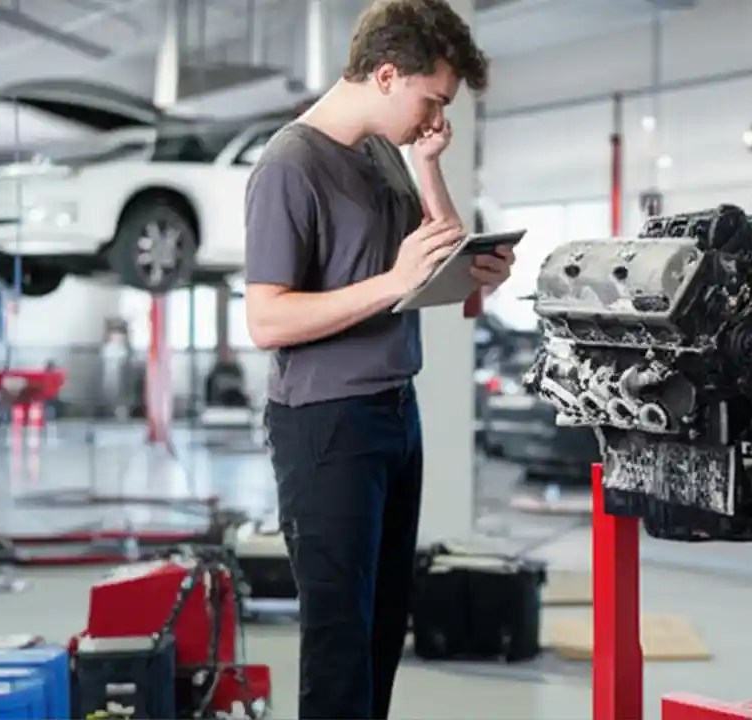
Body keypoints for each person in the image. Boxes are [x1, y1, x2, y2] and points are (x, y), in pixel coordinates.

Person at [241, 1, 508, 717]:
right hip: (325, 429)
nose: (434, 118)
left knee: (385, 625)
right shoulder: (289, 166)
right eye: (431, 102)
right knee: (338, 640)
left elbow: (431, 253)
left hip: (395, 414)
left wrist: (433, 178)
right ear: (387, 75)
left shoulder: (386, 150)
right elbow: (266, 317)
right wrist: (391, 282)